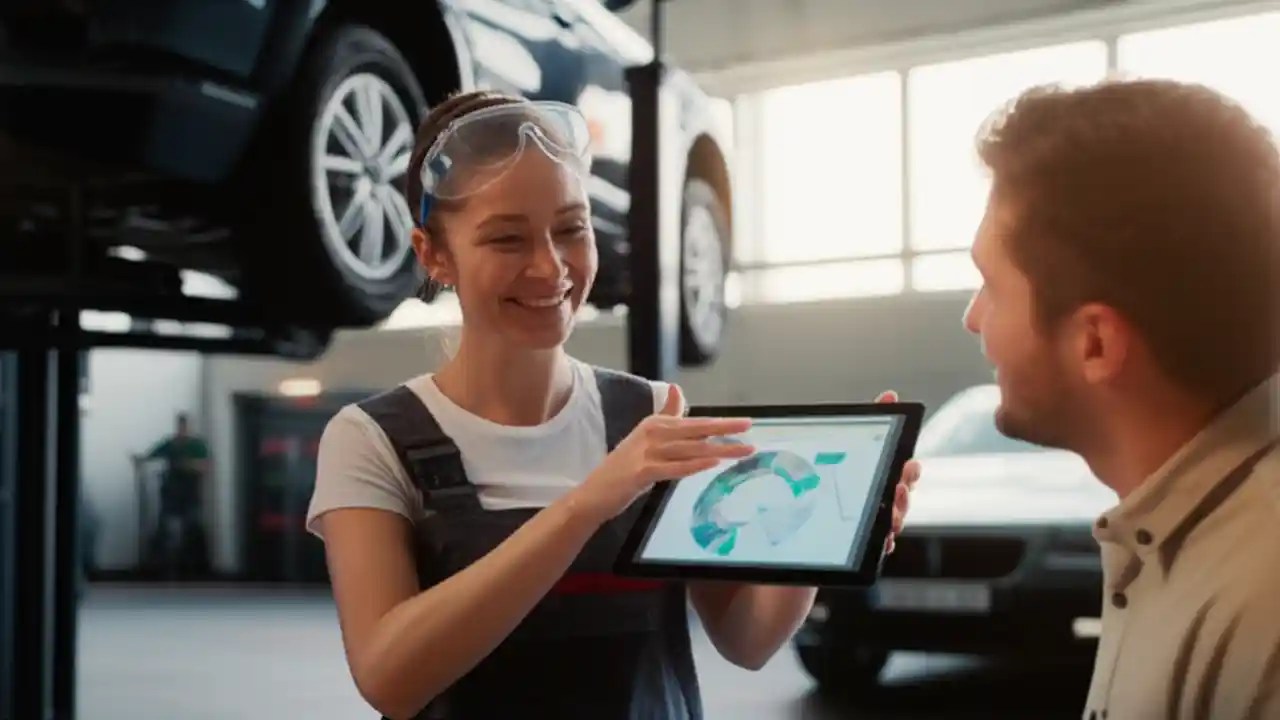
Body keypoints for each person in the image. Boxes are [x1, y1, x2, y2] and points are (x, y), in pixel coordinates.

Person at [306, 90, 922, 720]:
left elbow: (747, 639)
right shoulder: (373, 440)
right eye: (507, 239)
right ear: (433, 254)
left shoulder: (651, 413)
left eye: (571, 228)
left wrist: (822, 535)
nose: (551, 267)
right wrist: (586, 505)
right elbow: (390, 676)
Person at [964, 78, 1280, 719]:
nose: (973, 319)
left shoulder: (1262, 609)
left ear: (1096, 344)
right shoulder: (1174, 540)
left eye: (991, 287)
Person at [134, 412, 210, 577]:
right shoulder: (171, 444)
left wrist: (187, 465)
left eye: (184, 426)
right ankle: (167, 568)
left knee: (192, 528)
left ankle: (193, 568)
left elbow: (204, 466)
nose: (182, 430)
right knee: (167, 529)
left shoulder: (197, 445)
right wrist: (140, 459)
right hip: (171, 494)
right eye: (180, 426)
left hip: (190, 494)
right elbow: (152, 455)